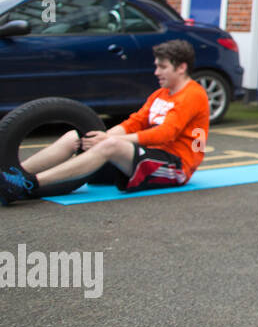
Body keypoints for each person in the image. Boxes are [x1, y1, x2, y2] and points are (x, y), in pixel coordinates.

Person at [1, 39, 211, 204]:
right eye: (157, 66)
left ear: (181, 68)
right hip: (142, 159)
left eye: (162, 67)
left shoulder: (193, 95)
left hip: (175, 167)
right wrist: (100, 137)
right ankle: (13, 174)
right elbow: (135, 122)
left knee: (110, 145)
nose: (156, 72)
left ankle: (28, 184)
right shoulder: (161, 94)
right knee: (76, 137)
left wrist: (108, 141)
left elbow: (166, 133)